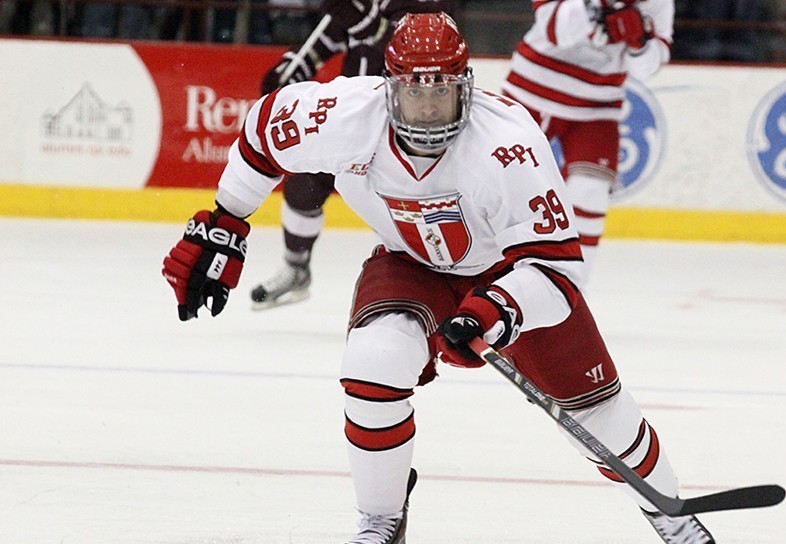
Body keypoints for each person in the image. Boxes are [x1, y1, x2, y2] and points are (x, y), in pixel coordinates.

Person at [162, 12, 715, 544]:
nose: (428, 108)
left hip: (507, 274)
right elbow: (263, 130)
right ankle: (380, 520)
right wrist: (224, 219)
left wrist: (495, 310)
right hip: (409, 263)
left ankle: (675, 519)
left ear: (465, 88)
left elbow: (556, 270)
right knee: (373, 362)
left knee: (601, 416)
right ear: (388, 87)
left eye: (441, 92)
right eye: (415, 92)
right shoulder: (347, 113)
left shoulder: (508, 143)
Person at [249, 0, 452, 309]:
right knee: (304, 182)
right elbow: (324, 39)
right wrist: (290, 68)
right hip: (349, 120)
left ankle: (416, 284)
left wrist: (370, 24)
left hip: (400, 130)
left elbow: (412, 48)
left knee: (398, 207)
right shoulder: (366, 4)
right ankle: (295, 268)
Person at [501, 0, 675, 281]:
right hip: (532, 91)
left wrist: (639, 41)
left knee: (591, 192)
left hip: (598, 105)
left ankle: (570, 290)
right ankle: (491, 275)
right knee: (505, 190)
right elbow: (553, 29)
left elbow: (649, 67)